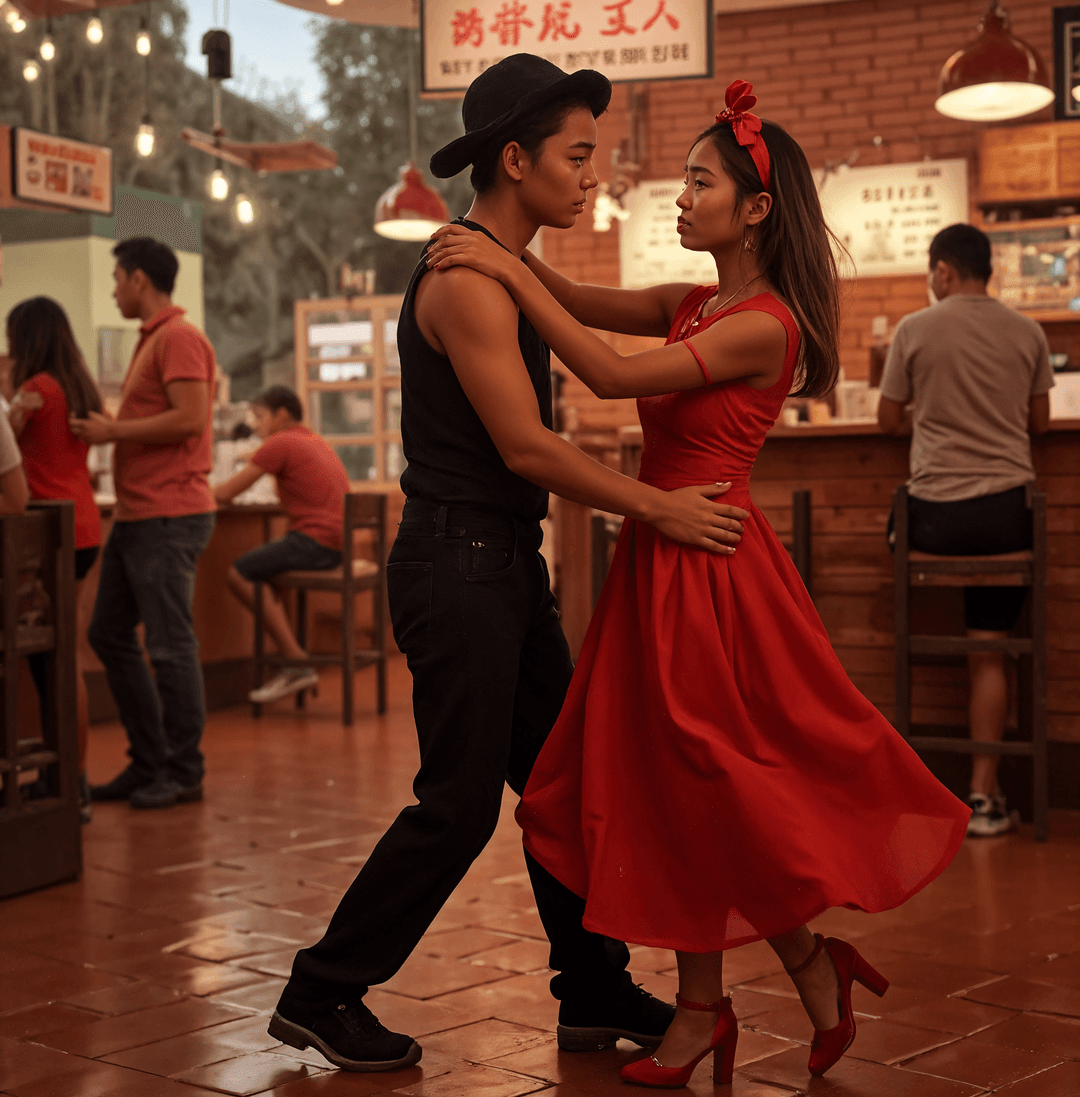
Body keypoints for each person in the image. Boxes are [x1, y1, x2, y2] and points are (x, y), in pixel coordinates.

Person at [424, 79, 971, 1087]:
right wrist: (498, 254)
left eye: (697, 180)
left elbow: (603, 369)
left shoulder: (766, 325)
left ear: (756, 208)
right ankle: (767, 982)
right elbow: (578, 304)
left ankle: (738, 993)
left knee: (709, 776)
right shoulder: (691, 304)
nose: (676, 196)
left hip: (712, 561)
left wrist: (494, 261)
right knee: (671, 782)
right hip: (658, 556)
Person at [269, 54, 752, 1075]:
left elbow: (587, 351)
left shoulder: (505, 269)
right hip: (458, 566)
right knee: (459, 804)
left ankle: (590, 988)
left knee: (563, 787)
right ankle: (323, 988)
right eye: (579, 157)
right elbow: (530, 448)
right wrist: (657, 505)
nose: (592, 177)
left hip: (500, 567)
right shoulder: (465, 280)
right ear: (516, 158)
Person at [878, 223, 1053, 838]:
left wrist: (935, 413)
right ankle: (983, 794)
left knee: (924, 607)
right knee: (989, 647)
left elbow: (888, 420)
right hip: (1007, 517)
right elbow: (1039, 421)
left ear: (943, 272)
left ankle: (910, 789)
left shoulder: (914, 330)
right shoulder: (1028, 331)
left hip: (935, 521)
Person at [71, 237, 217, 811]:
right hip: (141, 513)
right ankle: (149, 759)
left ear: (139, 279)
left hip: (169, 513)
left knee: (169, 645)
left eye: (116, 278)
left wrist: (112, 433)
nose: (112, 289)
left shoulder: (179, 337)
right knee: (108, 633)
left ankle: (183, 769)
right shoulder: (155, 340)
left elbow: (189, 418)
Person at [6, 297, 103, 822]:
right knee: (67, 653)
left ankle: (68, 782)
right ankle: (75, 778)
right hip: (84, 525)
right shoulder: (79, 387)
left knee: (57, 662)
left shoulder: (34, 392)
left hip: (46, 534)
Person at [213, 384, 350, 703]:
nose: (256, 424)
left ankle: (296, 662)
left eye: (260, 416)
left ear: (282, 415)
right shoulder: (311, 439)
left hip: (315, 541)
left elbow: (223, 494)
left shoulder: (281, 442)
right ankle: (293, 660)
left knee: (240, 574)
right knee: (265, 572)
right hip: (333, 542)